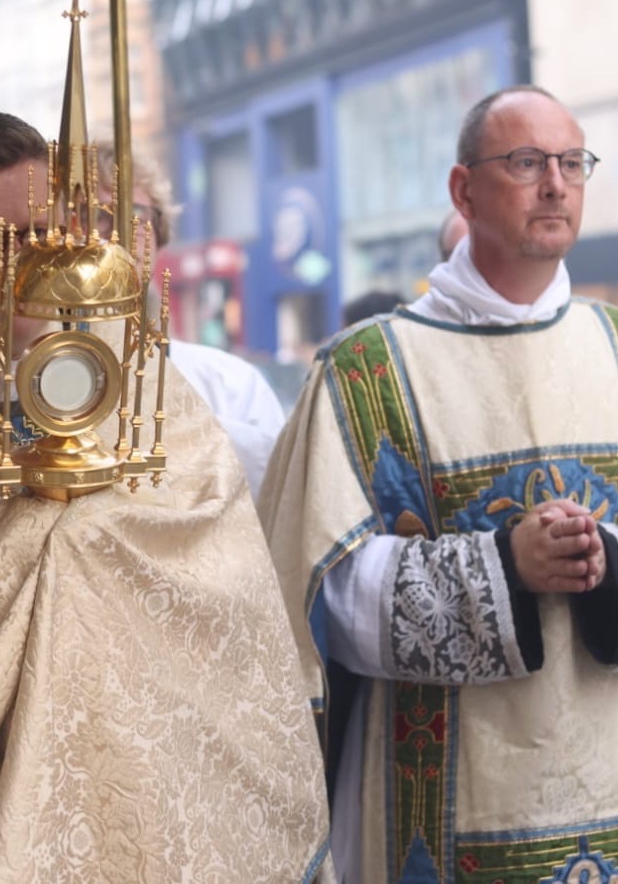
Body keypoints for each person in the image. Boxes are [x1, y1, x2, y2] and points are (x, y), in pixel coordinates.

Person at [0, 109, 334, 884]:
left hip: (150, 794)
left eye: (43, 234)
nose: (20, 267)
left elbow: (222, 566)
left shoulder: (147, 377)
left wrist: (89, 534)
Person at [259, 84, 618, 883]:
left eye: (572, 162)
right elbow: (318, 588)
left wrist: (605, 556)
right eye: (526, 162)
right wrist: (504, 571)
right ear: (463, 189)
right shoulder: (368, 368)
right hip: (442, 809)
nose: (556, 184)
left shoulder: (614, 345)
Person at [91, 142, 286, 499]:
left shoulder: (231, 384)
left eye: (132, 213)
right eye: (94, 215)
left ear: (159, 233)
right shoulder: (19, 379)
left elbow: (278, 509)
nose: (113, 233)